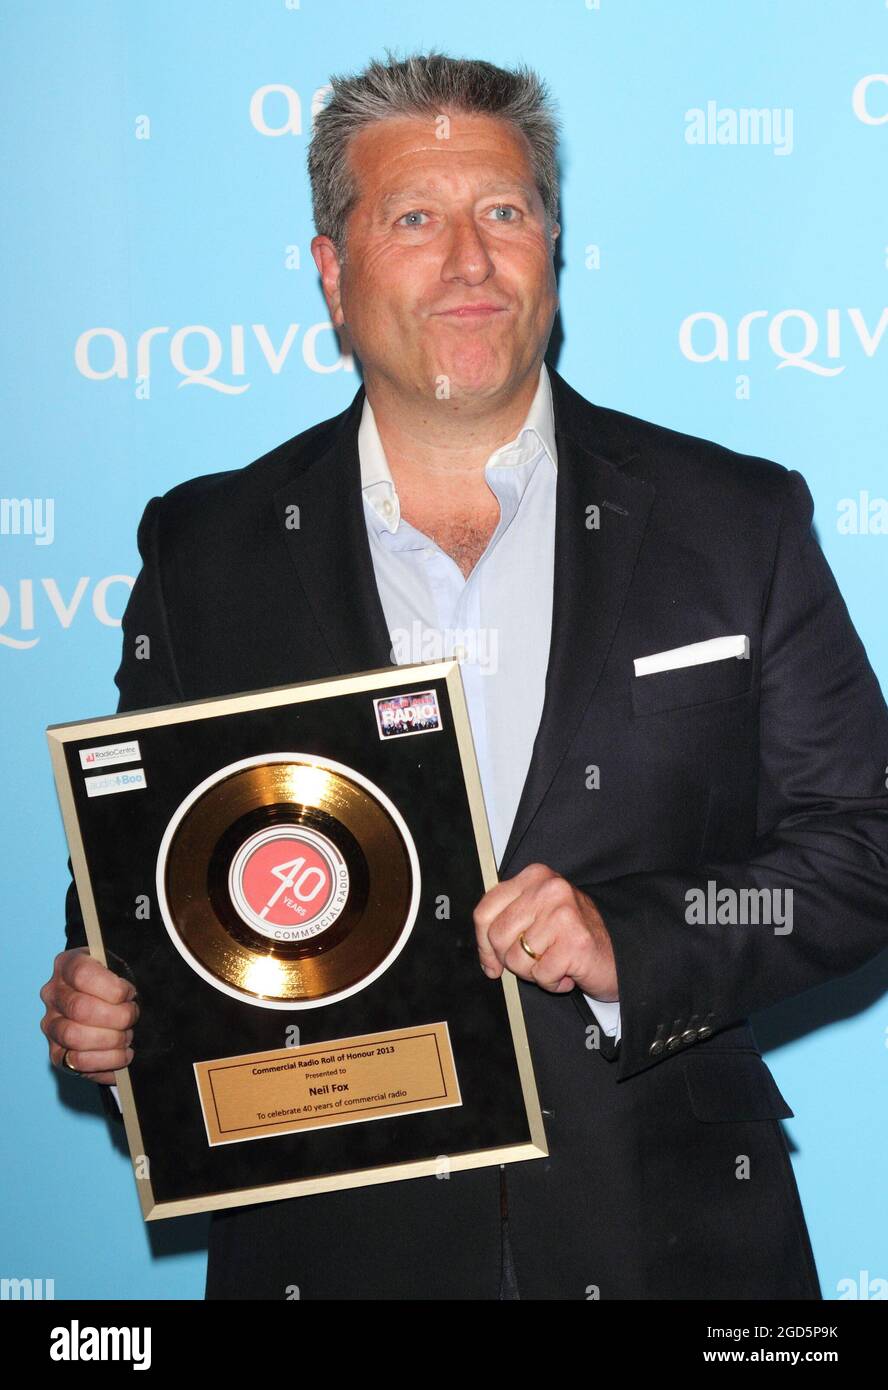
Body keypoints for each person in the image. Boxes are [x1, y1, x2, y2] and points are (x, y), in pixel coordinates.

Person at [40, 51, 888, 1300]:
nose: (469, 262)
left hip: (677, 1248)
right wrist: (113, 1011)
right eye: (414, 220)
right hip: (332, 1254)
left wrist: (635, 939)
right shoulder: (205, 549)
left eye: (503, 212)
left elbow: (863, 852)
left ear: (554, 244)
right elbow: (154, 878)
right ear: (334, 273)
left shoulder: (735, 519)